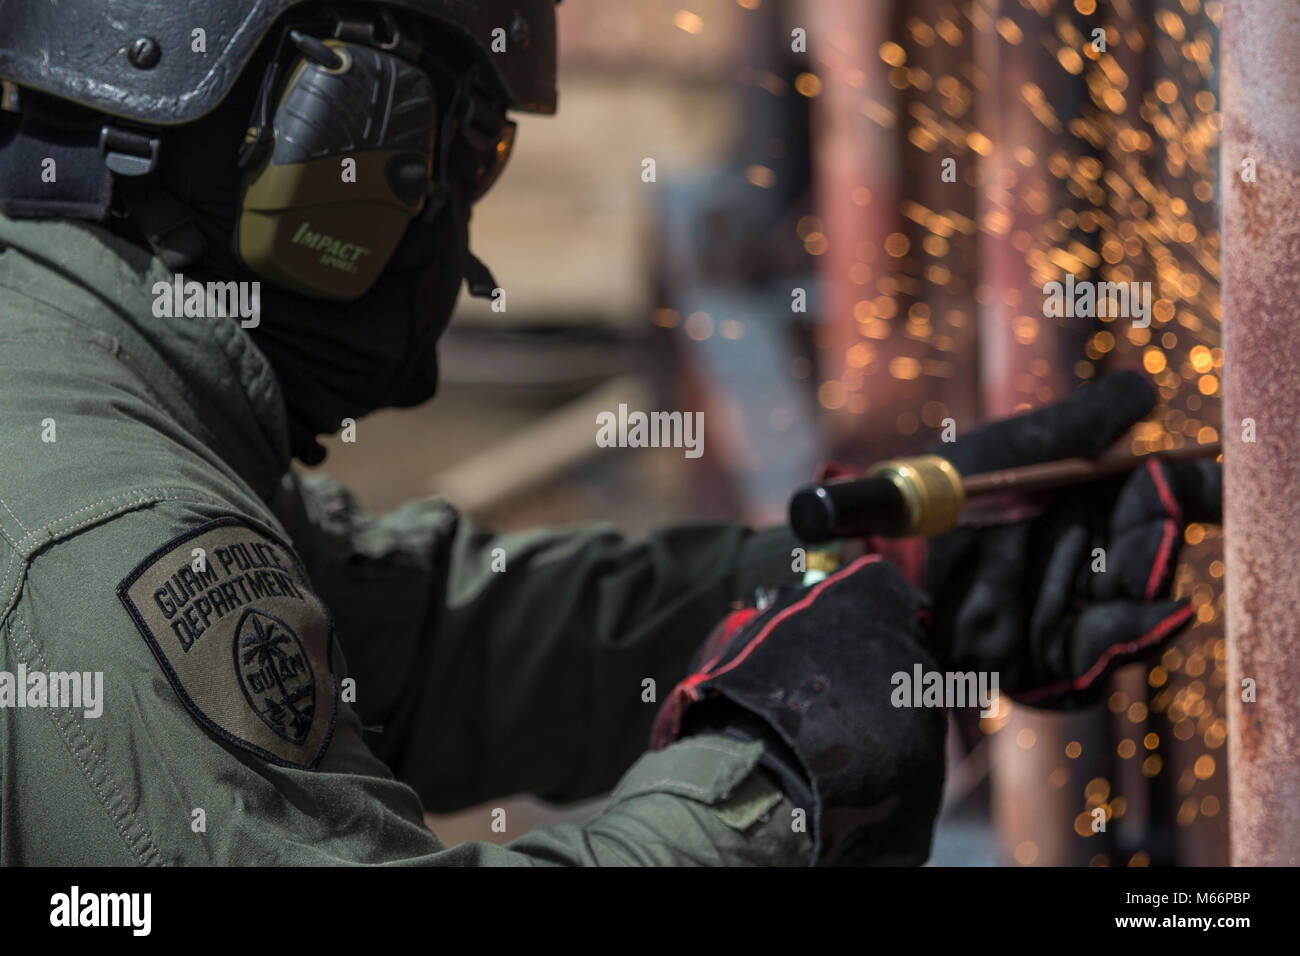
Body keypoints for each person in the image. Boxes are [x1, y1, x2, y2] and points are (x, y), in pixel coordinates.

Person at [0, 0, 1219, 866]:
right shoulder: (99, 546)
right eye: (439, 160)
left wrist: (855, 588)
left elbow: (411, 645)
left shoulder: (91, 392)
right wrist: (771, 777)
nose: (452, 258)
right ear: (324, 134)